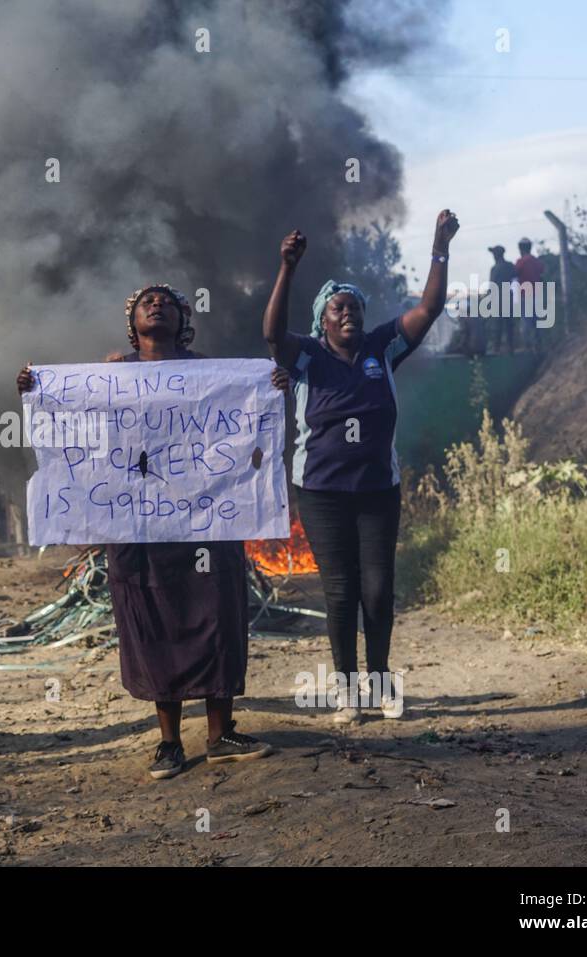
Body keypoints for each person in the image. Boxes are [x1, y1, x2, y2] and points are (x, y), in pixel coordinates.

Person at [17, 284, 273, 781]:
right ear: (132, 323)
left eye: (169, 301)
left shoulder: (215, 377)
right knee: (153, 620)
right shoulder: (110, 378)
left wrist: (271, 386)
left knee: (216, 611)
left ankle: (221, 734)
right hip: (138, 521)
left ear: (183, 318)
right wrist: (36, 390)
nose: (158, 305)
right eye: (146, 301)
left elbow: (243, 431)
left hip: (204, 519)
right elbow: (70, 427)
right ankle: (170, 743)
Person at [263, 210, 460, 724]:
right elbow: (271, 332)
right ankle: (347, 691)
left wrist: (439, 245)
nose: (347, 313)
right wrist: (287, 267)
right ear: (322, 321)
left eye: (353, 306)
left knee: (377, 588)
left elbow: (430, 307)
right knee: (340, 590)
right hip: (322, 491)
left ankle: (381, 681)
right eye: (337, 308)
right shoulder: (305, 357)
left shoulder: (383, 347)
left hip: (377, 489)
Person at [515, 237, 545, 352]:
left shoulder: (520, 262)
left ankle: (527, 348)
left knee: (526, 322)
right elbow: (542, 275)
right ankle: (538, 346)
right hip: (537, 296)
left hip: (525, 296)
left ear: (520, 248)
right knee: (537, 323)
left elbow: (515, 275)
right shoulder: (537, 262)